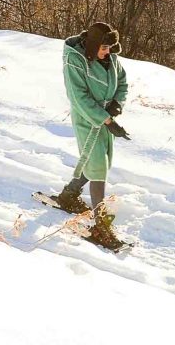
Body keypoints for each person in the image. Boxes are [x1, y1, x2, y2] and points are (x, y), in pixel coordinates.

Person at [55, 21, 130, 250]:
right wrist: (106, 120)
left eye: (109, 48)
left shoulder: (111, 60)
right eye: (104, 48)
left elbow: (123, 83)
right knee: (98, 166)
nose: (108, 53)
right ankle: (101, 226)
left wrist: (117, 104)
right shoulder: (74, 61)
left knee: (99, 161)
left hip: (106, 116)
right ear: (93, 44)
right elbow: (78, 97)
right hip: (88, 118)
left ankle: (69, 194)